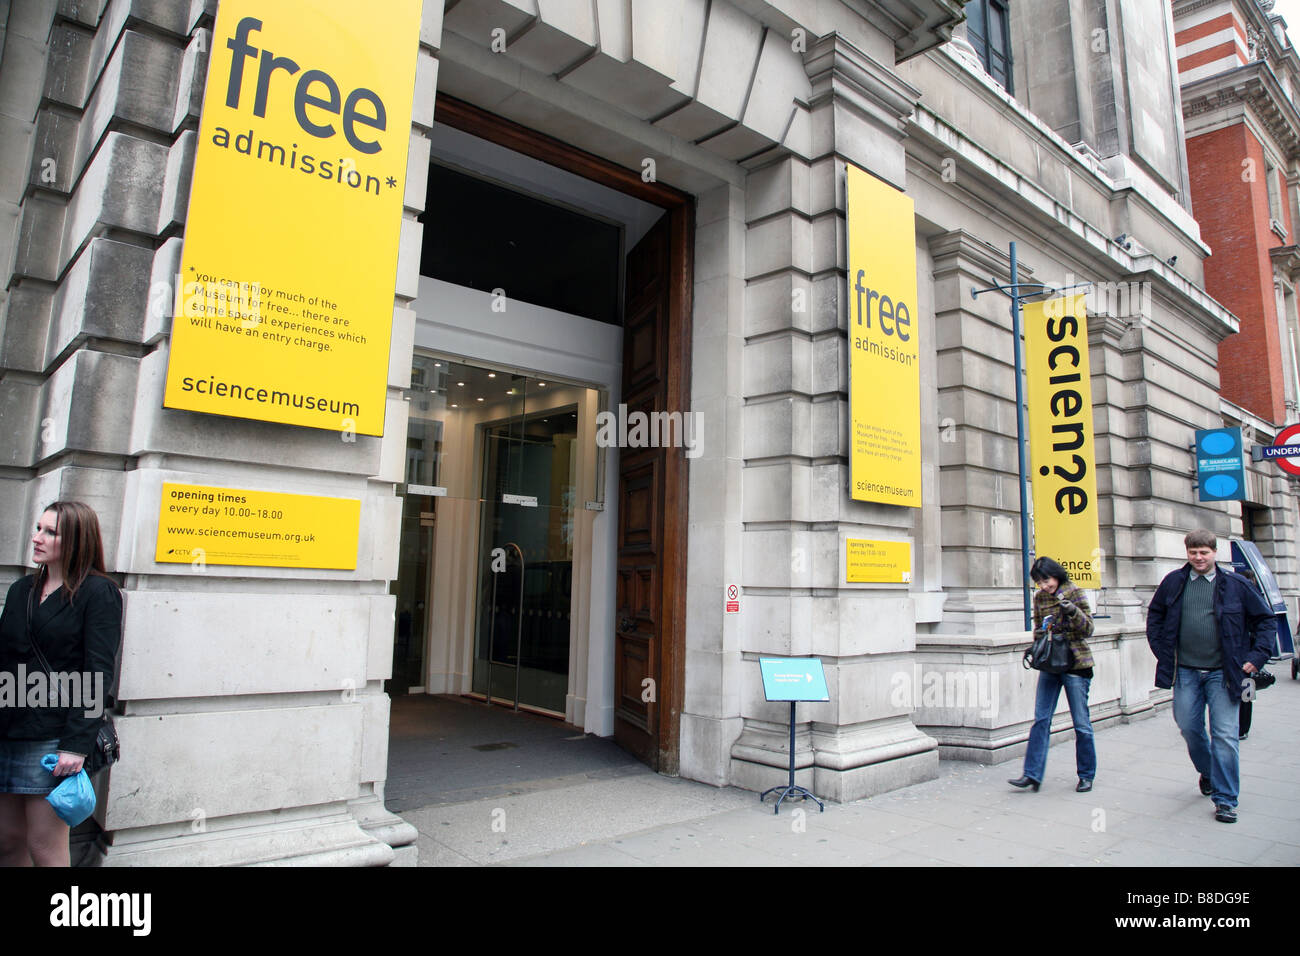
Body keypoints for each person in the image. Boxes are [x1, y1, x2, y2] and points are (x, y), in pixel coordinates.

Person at [0, 501, 121, 865]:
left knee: (44, 845)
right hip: (8, 729)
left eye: (50, 532)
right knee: (6, 840)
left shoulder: (98, 593)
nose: (36, 538)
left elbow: (98, 671)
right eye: (38, 528)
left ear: (75, 541)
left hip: (55, 738)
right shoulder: (22, 589)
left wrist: (75, 745)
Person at [1145, 529, 1274, 824]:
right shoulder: (1174, 582)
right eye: (1193, 552)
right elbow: (1156, 616)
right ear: (1187, 553)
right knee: (1189, 727)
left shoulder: (1236, 584)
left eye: (1204, 552)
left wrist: (1255, 659)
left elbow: (1265, 620)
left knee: (1226, 735)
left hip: (1226, 674)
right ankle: (1209, 771)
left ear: (1215, 553)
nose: (1198, 558)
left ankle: (1226, 799)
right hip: (1186, 671)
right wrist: (1163, 651)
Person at [1009, 556, 1097, 793]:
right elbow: (1038, 628)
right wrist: (1038, 645)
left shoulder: (1074, 592)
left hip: (1075, 664)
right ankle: (1032, 774)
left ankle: (1086, 775)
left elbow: (1088, 628)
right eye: (1039, 582)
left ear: (1056, 574)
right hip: (1050, 664)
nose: (1044, 586)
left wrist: (1072, 612)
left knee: (1081, 723)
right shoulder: (1040, 598)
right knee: (1041, 719)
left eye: (1046, 580)